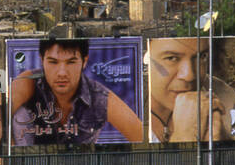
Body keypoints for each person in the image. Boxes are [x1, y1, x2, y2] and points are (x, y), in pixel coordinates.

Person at [11, 38, 144, 145]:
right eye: (53, 62)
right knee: (19, 115)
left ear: (84, 62)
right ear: (42, 60)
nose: (62, 73)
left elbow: (142, 135)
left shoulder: (98, 97)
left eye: (71, 62)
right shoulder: (29, 82)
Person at [146, 38, 235, 143]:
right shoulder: (126, 108)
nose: (189, 76)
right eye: (171, 58)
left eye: (201, 57)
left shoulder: (225, 95)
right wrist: (183, 137)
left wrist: (223, 142)